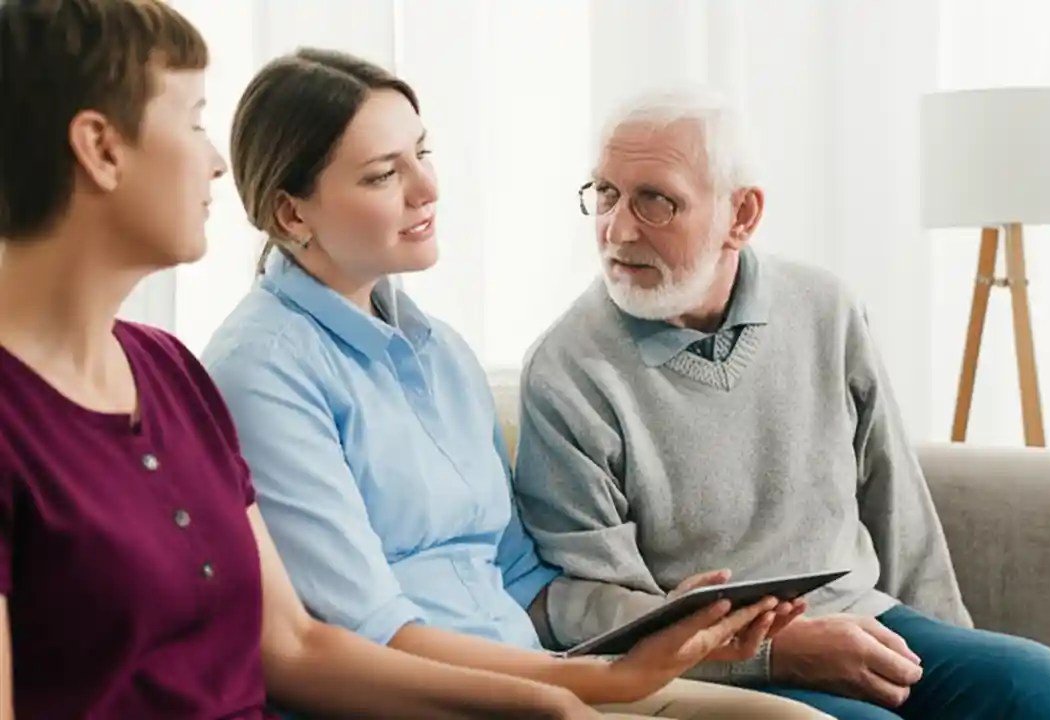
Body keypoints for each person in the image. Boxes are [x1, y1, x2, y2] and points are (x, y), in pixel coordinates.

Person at [0, 3, 758, 718]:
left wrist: (603, 669)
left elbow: (294, 644)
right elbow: (351, 636)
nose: (218, 166)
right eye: (195, 122)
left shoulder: (171, 373)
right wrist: (557, 694)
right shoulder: (247, 368)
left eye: (419, 155)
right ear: (100, 147)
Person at [200, 48, 830, 720]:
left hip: (545, 676)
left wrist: (667, 624)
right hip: (425, 697)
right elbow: (368, 635)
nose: (426, 188)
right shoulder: (261, 373)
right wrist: (596, 683)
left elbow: (521, 580)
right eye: (385, 175)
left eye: (423, 152)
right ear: (293, 215)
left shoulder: (441, 352)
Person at [511, 87, 1050, 720]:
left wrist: (948, 652)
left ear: (742, 215)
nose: (618, 229)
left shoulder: (826, 308)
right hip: (713, 664)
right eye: (604, 194)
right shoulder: (567, 369)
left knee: (1040, 684)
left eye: (656, 200)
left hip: (860, 614)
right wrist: (772, 650)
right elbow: (585, 602)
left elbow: (895, 502)